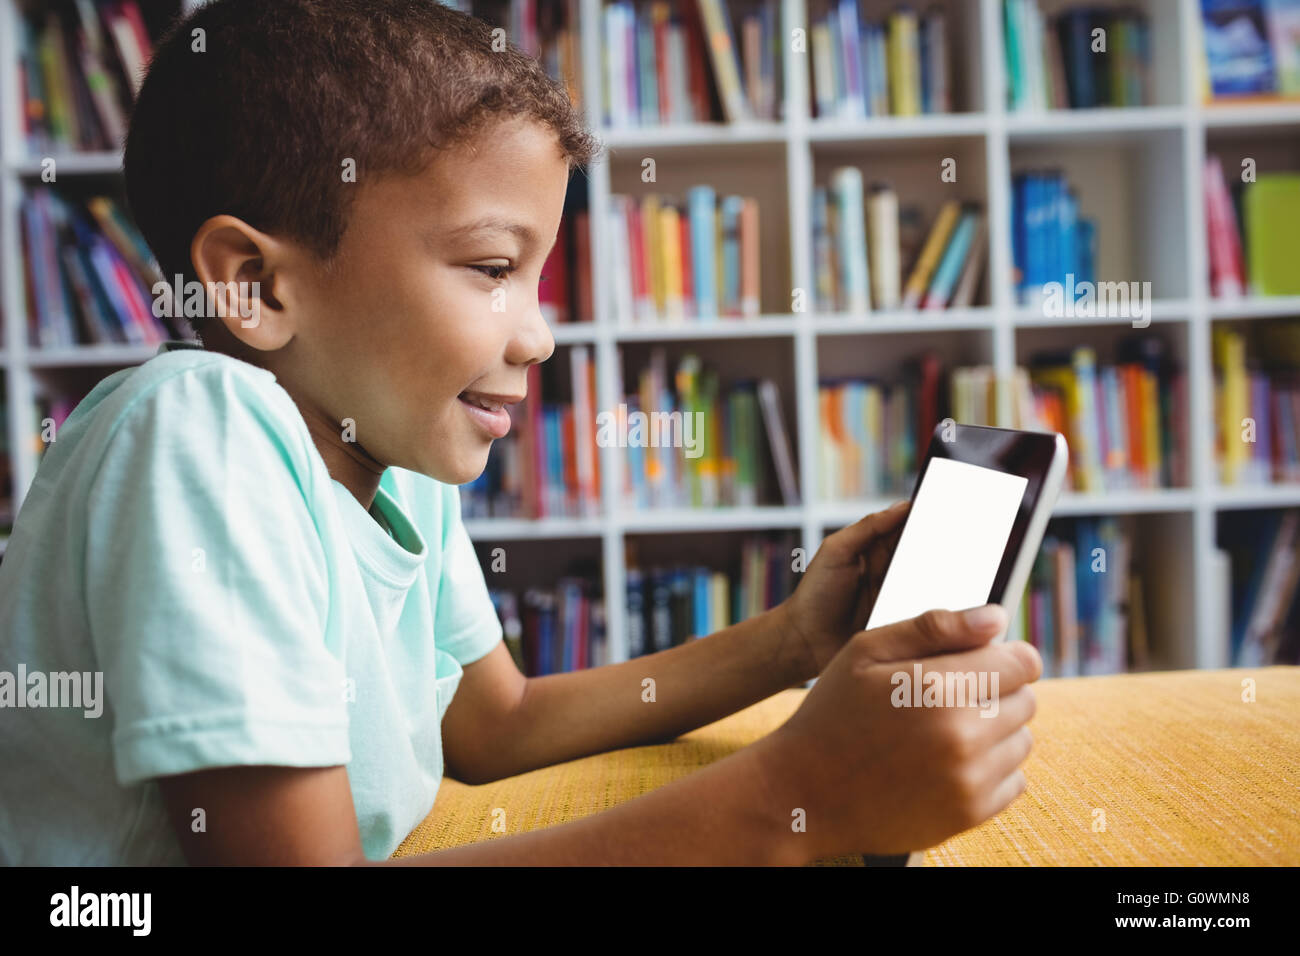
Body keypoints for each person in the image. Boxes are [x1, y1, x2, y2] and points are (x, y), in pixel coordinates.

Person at [0, 0, 1040, 865]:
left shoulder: (390, 460)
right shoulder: (201, 426)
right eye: (494, 268)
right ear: (257, 283)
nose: (539, 335)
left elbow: (496, 723)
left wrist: (789, 643)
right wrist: (793, 794)